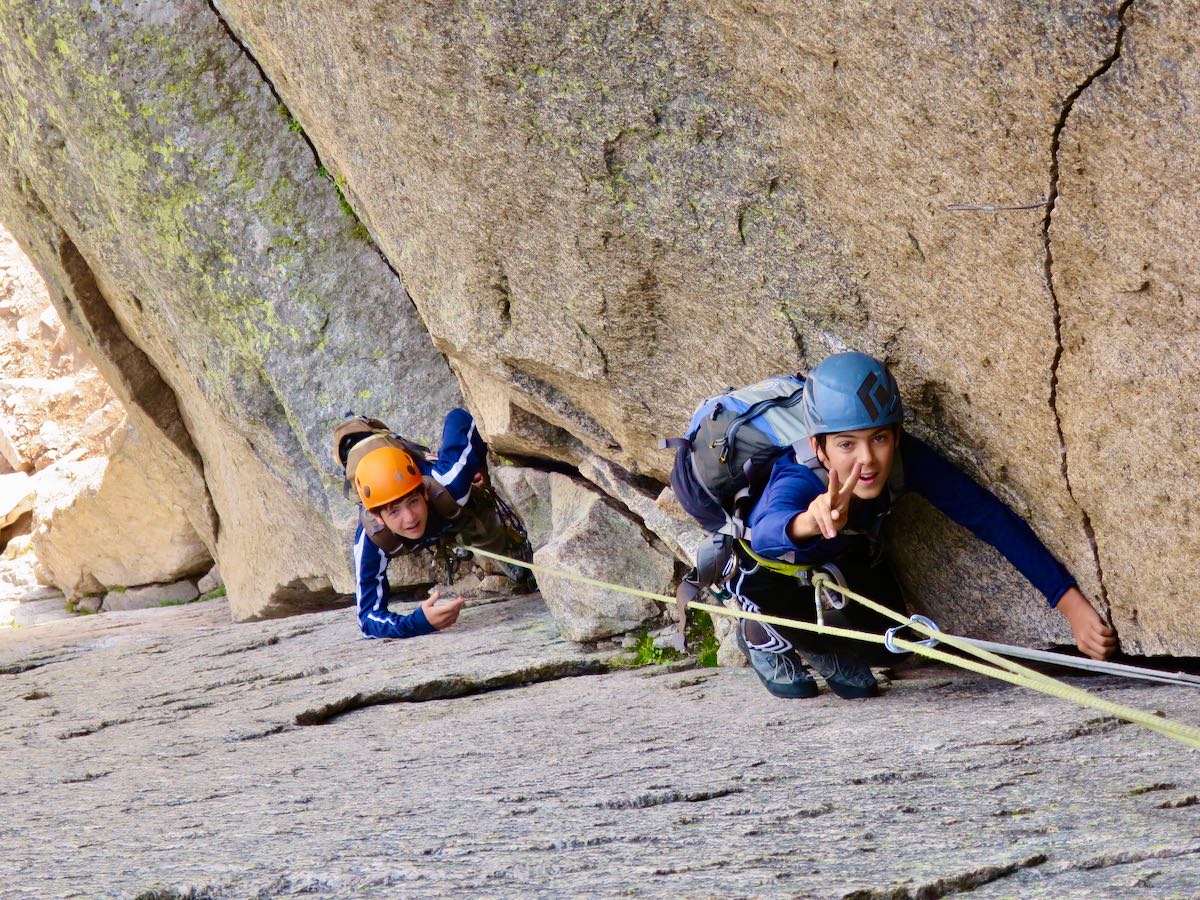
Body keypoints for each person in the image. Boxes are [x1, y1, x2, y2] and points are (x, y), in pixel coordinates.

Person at [733, 351, 1118, 699]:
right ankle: (761, 628)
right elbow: (767, 533)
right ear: (819, 447)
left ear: (896, 435)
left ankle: (820, 642)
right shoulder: (798, 476)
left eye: (879, 438)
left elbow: (990, 519)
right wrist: (808, 522)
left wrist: (1071, 605)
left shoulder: (907, 459)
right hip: (771, 572)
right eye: (846, 444)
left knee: (885, 649)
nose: (868, 459)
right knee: (770, 575)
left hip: (837, 560)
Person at [340, 408, 534, 640]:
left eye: (413, 502)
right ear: (377, 516)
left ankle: (508, 554)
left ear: (425, 491)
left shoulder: (448, 484)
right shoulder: (372, 539)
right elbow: (367, 620)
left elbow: (461, 419)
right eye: (394, 511)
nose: (410, 518)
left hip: (442, 504)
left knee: (471, 508)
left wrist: (480, 468)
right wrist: (417, 623)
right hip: (419, 514)